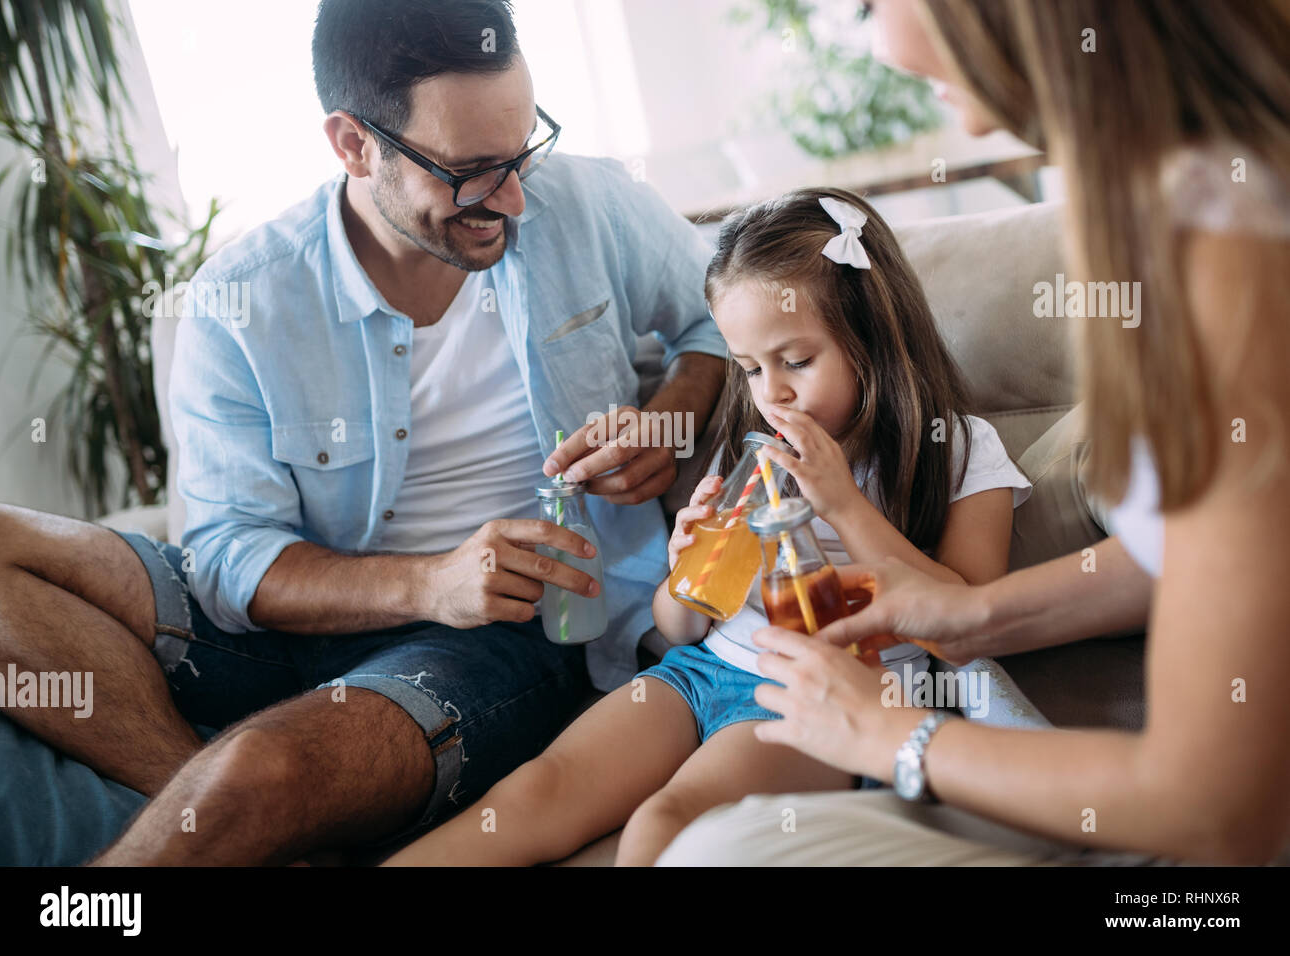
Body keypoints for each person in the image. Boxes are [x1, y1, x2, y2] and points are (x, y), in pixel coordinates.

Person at [0, 0, 725, 866]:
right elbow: (226, 557)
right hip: (302, 619)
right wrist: (430, 583)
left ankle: (239, 802)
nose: (516, 197)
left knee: (254, 775)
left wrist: (670, 420)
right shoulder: (242, 300)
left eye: (525, 149)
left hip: (507, 637)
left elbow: (717, 322)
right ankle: (219, 803)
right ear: (353, 144)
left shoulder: (590, 203)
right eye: (473, 170)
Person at [656, 0, 1290, 867]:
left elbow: (1217, 813)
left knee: (719, 855)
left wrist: (892, 734)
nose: (876, 39)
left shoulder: (1235, 247)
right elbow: (1198, 554)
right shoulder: (1187, 198)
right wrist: (972, 614)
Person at [382, 188, 1031, 866]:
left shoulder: (956, 450)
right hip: (699, 670)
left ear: (870, 337)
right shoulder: (752, 450)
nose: (771, 393)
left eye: (796, 361)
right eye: (750, 369)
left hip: (817, 696)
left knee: (667, 822)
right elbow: (678, 625)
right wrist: (687, 569)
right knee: (532, 796)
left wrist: (843, 505)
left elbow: (969, 629)